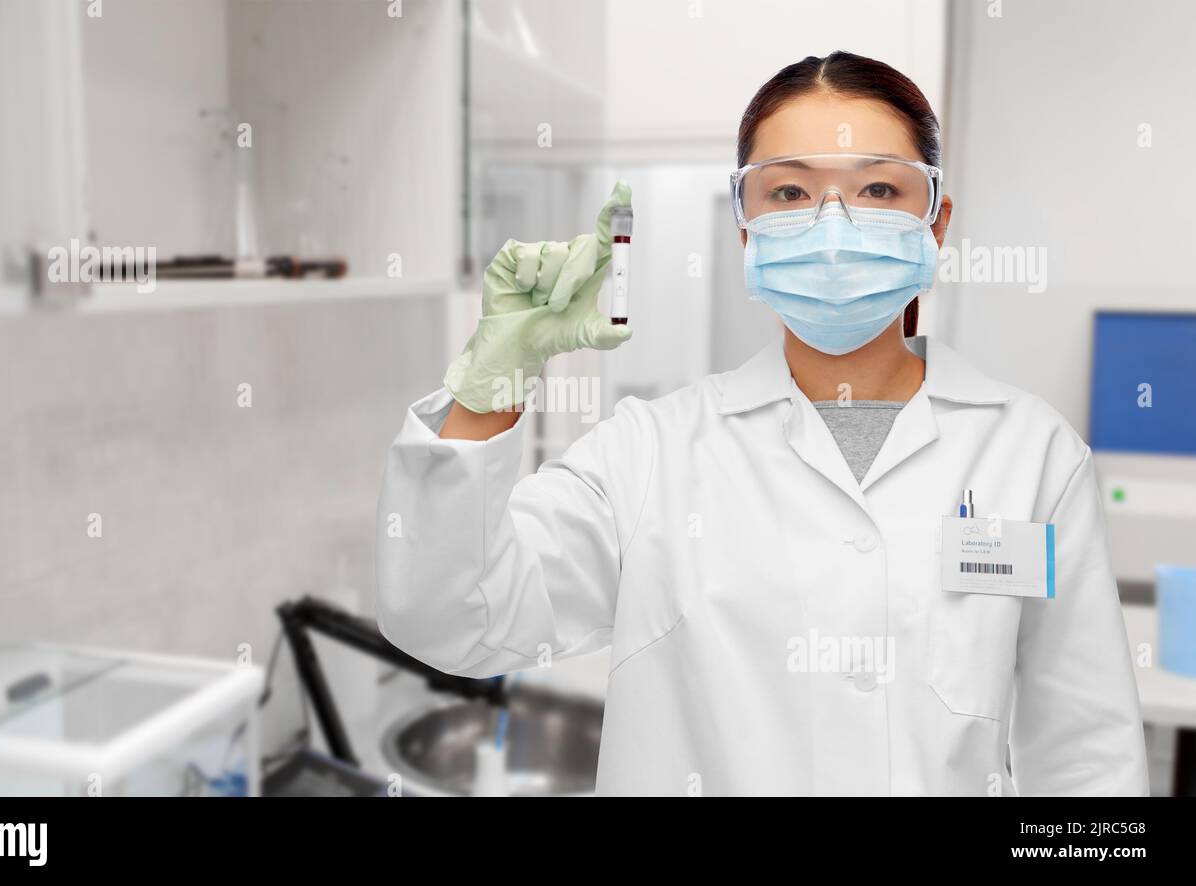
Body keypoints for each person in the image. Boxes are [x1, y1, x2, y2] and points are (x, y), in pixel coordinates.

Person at [375, 51, 1148, 796]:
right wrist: (491, 387)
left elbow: (1086, 755)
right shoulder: (649, 454)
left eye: (879, 188)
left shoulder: (1033, 456)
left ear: (934, 224)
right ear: (746, 227)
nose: (833, 225)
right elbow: (454, 623)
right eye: (790, 192)